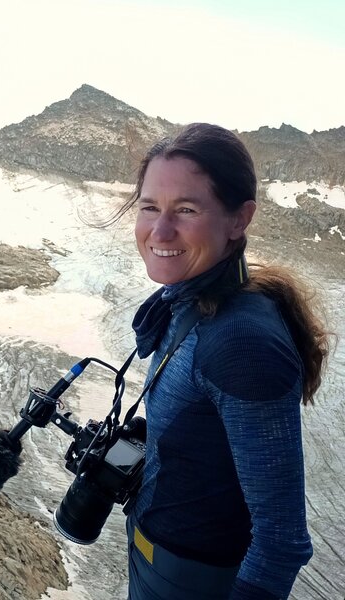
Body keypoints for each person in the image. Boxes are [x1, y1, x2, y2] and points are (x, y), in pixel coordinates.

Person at [119, 123, 329, 599]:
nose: (160, 230)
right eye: (149, 207)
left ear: (239, 219)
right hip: (159, 561)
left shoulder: (241, 344)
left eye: (186, 210)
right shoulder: (193, 301)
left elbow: (281, 543)